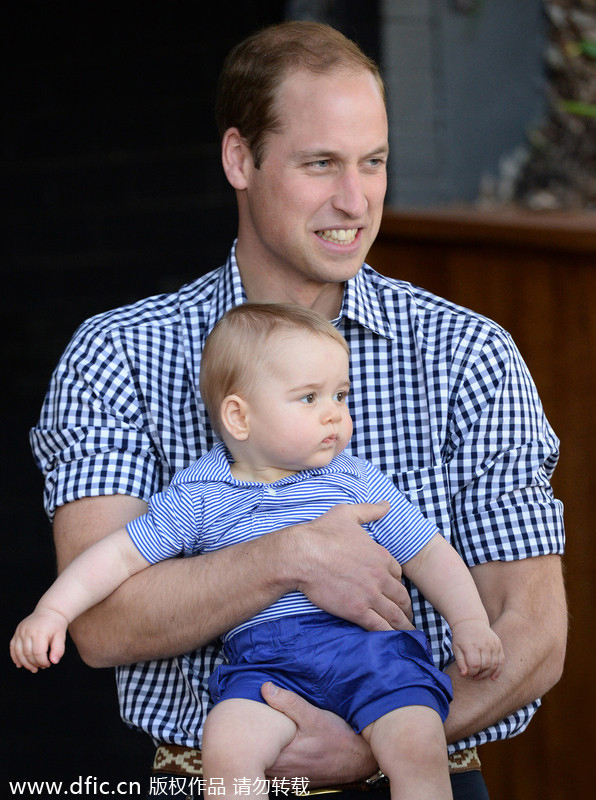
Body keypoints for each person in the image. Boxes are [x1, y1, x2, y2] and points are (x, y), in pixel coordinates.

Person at [27, 20, 566, 800]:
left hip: (422, 770)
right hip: (215, 778)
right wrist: (289, 556)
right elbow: (103, 624)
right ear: (239, 159)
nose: (355, 200)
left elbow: (533, 630)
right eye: (321, 164)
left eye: (373, 162)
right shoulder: (119, 355)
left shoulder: (466, 353)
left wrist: (374, 743)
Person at [13, 303, 505, 800]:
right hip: (265, 664)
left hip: (369, 651)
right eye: (309, 397)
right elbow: (119, 556)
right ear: (239, 416)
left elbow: (427, 552)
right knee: (227, 743)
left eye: (340, 395)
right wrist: (54, 611)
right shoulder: (200, 495)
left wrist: (468, 622)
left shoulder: (353, 478)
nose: (334, 413)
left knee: (418, 742)